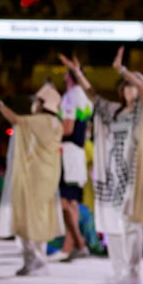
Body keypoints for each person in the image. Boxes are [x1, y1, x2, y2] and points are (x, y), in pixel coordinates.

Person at [61, 49, 143, 284]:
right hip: (111, 173)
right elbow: (93, 97)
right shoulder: (114, 111)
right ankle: (119, 269)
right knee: (112, 223)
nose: (129, 89)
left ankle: (134, 271)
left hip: (132, 174)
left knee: (131, 223)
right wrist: (78, 73)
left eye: (133, 85)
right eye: (125, 85)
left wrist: (122, 69)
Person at [0, 82, 63, 277]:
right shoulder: (56, 123)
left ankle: (34, 260)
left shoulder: (40, 121)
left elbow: (16, 120)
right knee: (40, 218)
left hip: (34, 176)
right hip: (49, 177)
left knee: (28, 218)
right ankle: (36, 260)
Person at [57, 70, 94, 262]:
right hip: (78, 153)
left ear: (69, 77)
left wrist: (49, 130)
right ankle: (70, 246)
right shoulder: (86, 98)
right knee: (72, 202)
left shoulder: (70, 97)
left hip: (67, 153)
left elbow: (67, 128)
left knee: (64, 202)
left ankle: (78, 244)